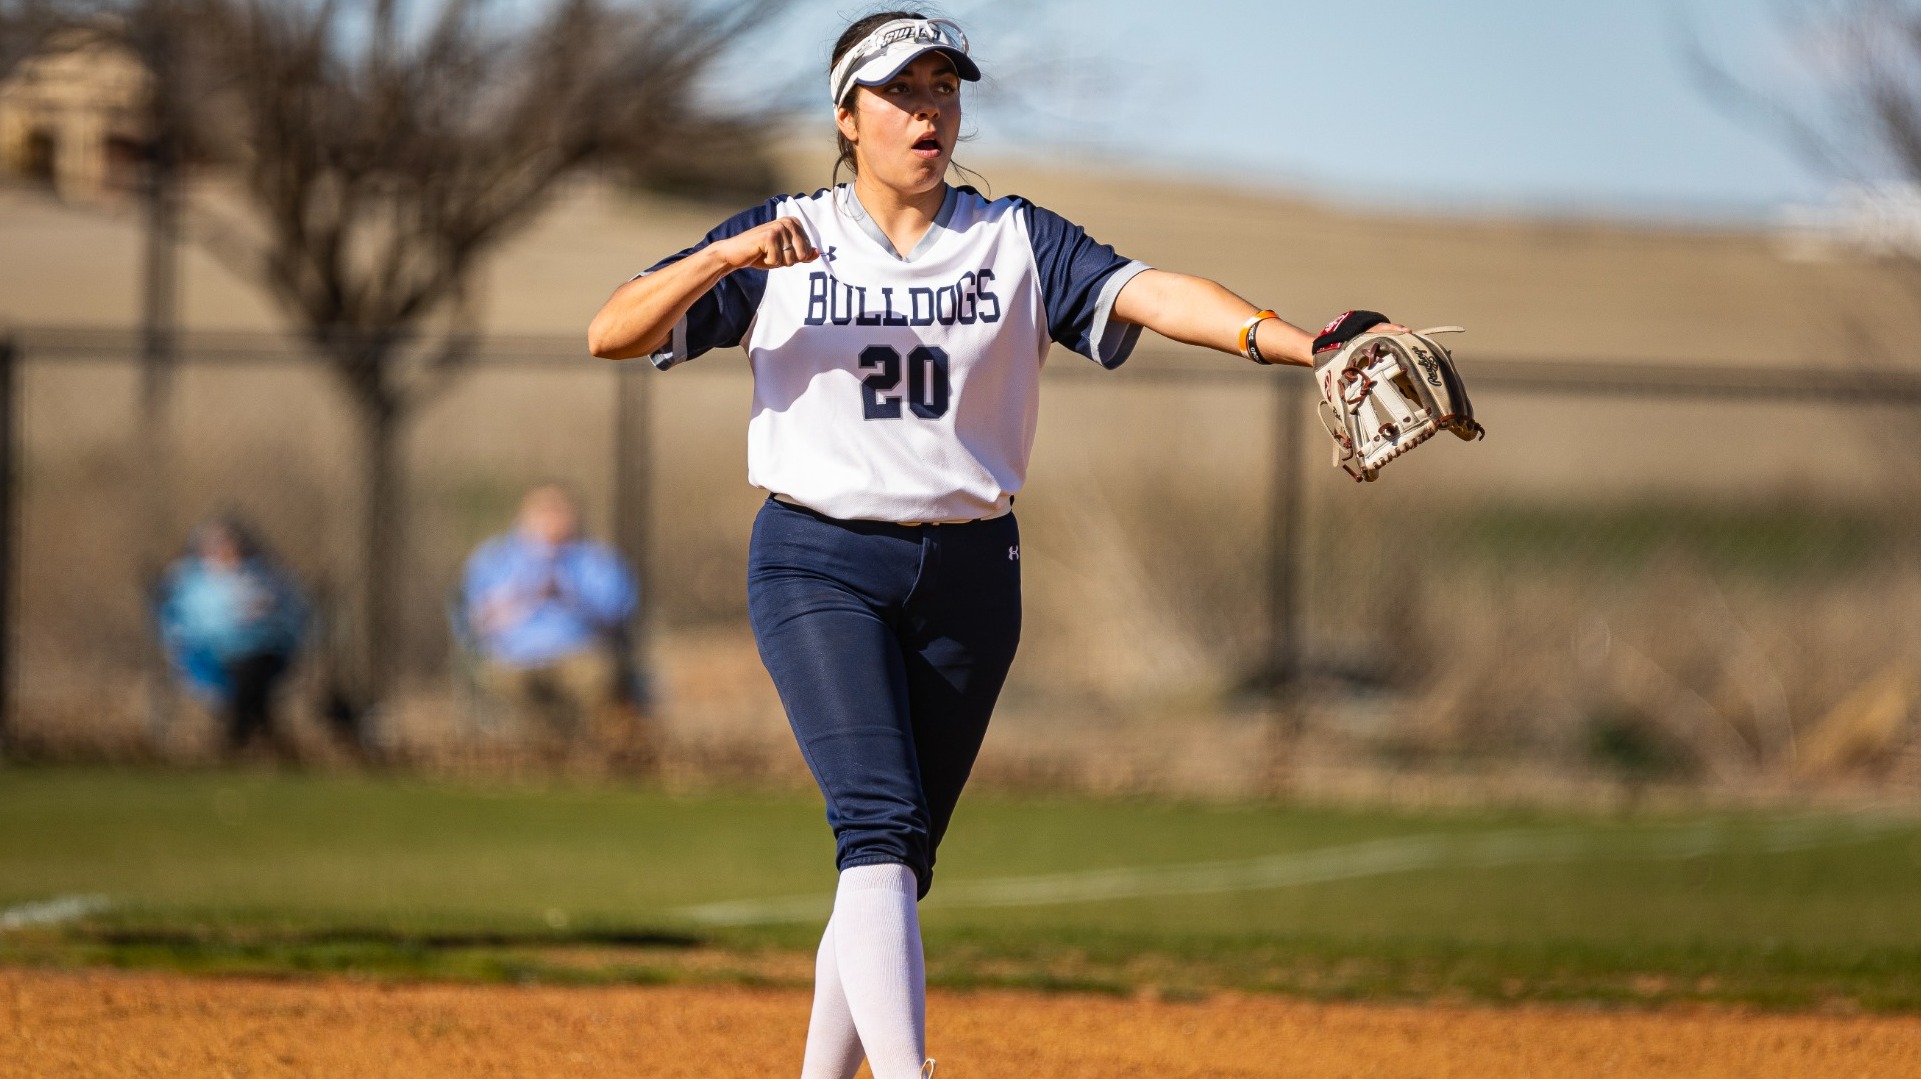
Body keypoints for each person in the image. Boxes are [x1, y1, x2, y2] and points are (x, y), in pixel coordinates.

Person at [586, 12, 1412, 1077]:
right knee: (877, 829)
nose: (929, 110)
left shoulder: (1011, 237)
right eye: (902, 91)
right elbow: (612, 329)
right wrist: (728, 255)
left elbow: (1148, 292)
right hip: (818, 560)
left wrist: (1299, 344)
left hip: (972, 577)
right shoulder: (783, 237)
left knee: (892, 862)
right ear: (846, 116)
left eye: (944, 88)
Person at [460, 484, 638, 749]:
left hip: (578, 654)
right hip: (513, 657)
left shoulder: (595, 562)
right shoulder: (495, 559)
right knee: (510, 683)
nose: (552, 520)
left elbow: (617, 617)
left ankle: (585, 753)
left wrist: (570, 595)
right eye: (543, 511)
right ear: (523, 517)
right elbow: (472, 619)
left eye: (559, 512)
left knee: (596, 675)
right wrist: (525, 594)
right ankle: (535, 751)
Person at [158, 517, 308, 760]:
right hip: (214, 652)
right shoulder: (191, 581)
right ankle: (250, 735)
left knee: (254, 665)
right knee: (248, 670)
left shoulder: (265, 576)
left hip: (267, 649)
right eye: (219, 544)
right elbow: (183, 624)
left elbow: (295, 614)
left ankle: (238, 738)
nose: (229, 550)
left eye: (233, 543)